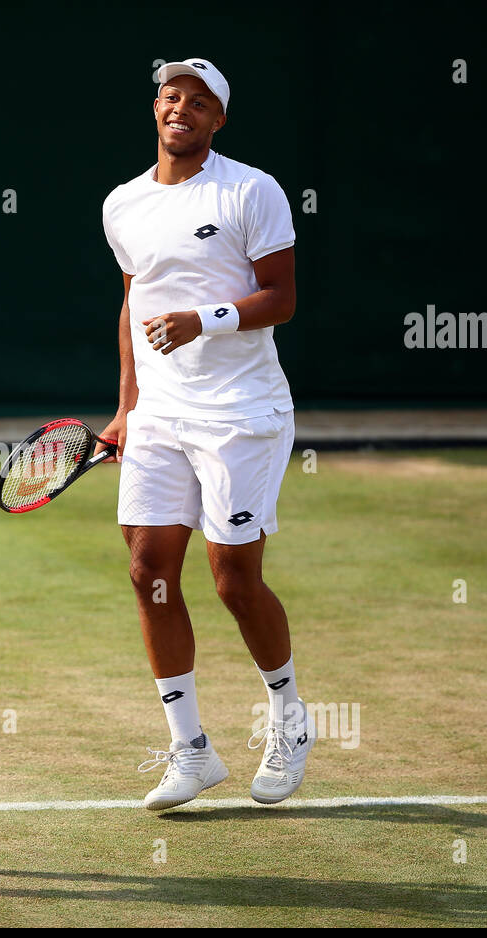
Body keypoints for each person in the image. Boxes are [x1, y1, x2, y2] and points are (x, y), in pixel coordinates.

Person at [99, 60, 311, 810]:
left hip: (241, 411)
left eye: (198, 100)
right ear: (155, 109)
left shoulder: (252, 189)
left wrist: (205, 320)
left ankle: (288, 720)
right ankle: (191, 750)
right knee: (148, 569)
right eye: (168, 95)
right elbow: (133, 306)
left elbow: (280, 298)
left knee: (232, 577)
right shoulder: (121, 203)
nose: (179, 107)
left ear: (218, 119)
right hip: (159, 412)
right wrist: (126, 406)